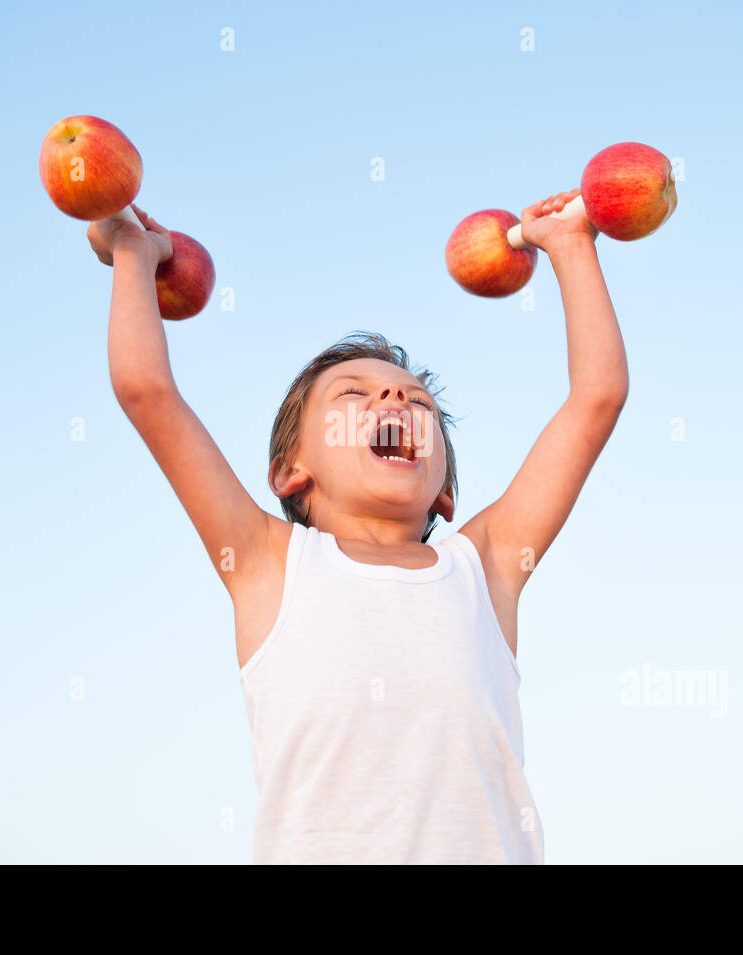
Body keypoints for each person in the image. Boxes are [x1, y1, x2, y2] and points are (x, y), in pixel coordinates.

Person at [85, 190, 627, 863]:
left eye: (417, 401)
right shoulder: (267, 561)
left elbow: (595, 400)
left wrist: (572, 244)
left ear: (447, 491)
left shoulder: (482, 567)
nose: (395, 396)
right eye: (354, 396)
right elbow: (146, 389)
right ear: (291, 471)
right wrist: (134, 255)